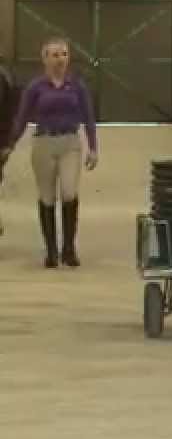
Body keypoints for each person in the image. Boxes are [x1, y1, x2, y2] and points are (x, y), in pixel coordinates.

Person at [2, 37, 99, 268]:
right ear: (44, 59)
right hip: (44, 143)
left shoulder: (77, 86)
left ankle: (69, 248)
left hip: (70, 143)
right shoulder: (35, 87)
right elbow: (22, 117)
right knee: (46, 196)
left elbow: (88, 116)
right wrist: (10, 144)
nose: (60, 59)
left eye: (64, 54)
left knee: (68, 191)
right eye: (54, 55)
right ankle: (51, 251)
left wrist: (93, 147)